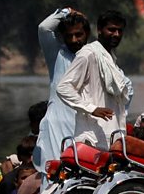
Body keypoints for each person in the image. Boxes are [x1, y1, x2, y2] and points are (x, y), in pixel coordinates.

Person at [55, 10, 133, 149]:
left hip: (110, 136)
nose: (116, 34)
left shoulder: (109, 58)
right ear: (99, 30)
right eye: (111, 29)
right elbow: (63, 87)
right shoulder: (88, 54)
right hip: (92, 138)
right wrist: (92, 108)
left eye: (119, 31)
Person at [34, 8, 90, 170]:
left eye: (78, 35)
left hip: (83, 130)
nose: (74, 40)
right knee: (52, 177)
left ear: (87, 34)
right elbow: (44, 28)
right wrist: (66, 11)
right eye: (69, 36)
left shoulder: (94, 57)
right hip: (56, 130)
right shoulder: (57, 55)